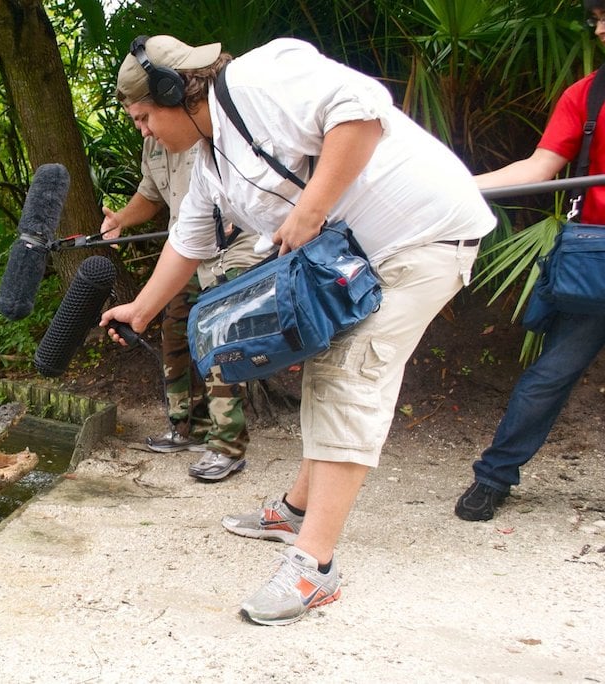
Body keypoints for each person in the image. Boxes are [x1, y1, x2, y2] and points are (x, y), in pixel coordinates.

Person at [101, 35, 493, 625]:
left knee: (349, 376)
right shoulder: (211, 157)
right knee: (324, 362)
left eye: (144, 118)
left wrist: (309, 210)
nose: (145, 132)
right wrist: (142, 308)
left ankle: (316, 570)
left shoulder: (261, 78)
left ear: (173, 92)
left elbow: (361, 111)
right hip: (355, 261)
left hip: (420, 238)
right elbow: (190, 238)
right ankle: (294, 510)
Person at [455, 0, 605, 522]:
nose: (600, 27)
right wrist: (454, 188)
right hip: (595, 263)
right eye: (598, 17)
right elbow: (540, 166)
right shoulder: (586, 95)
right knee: (551, 374)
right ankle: (493, 478)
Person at [100, 135, 260, 481]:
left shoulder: (208, 127)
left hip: (230, 249)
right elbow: (151, 195)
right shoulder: (151, 138)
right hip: (185, 251)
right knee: (175, 331)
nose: (141, 128)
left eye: (144, 116)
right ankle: (190, 427)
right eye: (133, 119)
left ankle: (227, 446)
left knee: (219, 337)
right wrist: (122, 220)